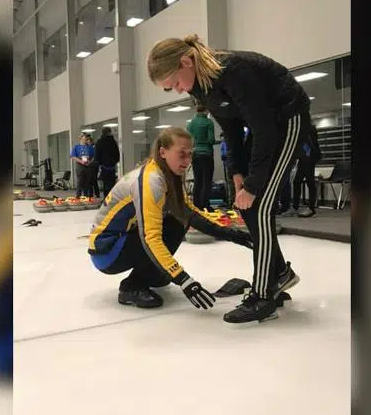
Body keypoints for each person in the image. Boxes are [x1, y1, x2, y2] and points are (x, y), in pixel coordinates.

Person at [147, 34, 311, 323]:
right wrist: (237, 175)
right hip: (263, 129)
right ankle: (280, 274)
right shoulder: (201, 88)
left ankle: (263, 295)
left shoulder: (233, 70)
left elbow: (263, 130)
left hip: (287, 120)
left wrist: (253, 184)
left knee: (259, 206)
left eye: (174, 83)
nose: (176, 90)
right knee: (245, 206)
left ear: (186, 62)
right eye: (169, 88)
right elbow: (232, 130)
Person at [87, 127, 253, 309]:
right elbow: (151, 238)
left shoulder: (168, 174)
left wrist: (232, 234)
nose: (188, 161)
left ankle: (152, 274)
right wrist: (184, 280)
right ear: (162, 152)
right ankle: (131, 287)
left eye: (190, 155)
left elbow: (190, 214)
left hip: (121, 241)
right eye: (182, 154)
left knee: (179, 220)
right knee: (172, 225)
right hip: (106, 252)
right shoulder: (151, 181)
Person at [186, 103, 217, 210]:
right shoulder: (208, 122)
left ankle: (196, 205)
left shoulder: (191, 124)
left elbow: (188, 140)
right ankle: (205, 205)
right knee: (206, 180)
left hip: (195, 154)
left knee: (198, 180)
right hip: (206, 154)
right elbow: (211, 139)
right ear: (206, 110)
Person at [291, 124, 322, 217]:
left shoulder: (310, 128)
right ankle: (295, 207)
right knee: (296, 181)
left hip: (309, 159)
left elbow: (311, 142)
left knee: (310, 183)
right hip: (302, 159)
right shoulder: (300, 128)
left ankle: (312, 209)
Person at [94, 126, 120, 199]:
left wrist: (98, 163)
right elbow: (117, 153)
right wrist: (115, 162)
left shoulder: (99, 141)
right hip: (112, 166)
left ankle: (106, 198)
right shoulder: (113, 141)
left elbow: (97, 154)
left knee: (105, 183)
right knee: (112, 182)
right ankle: (112, 197)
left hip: (104, 166)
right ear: (109, 132)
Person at [70, 133, 95, 198]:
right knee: (80, 181)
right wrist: (80, 161)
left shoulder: (90, 147)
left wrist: (90, 161)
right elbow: (73, 156)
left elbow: (93, 156)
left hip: (88, 165)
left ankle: (86, 196)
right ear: (80, 138)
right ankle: (78, 196)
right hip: (80, 165)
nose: (86, 140)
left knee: (87, 182)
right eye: (84, 138)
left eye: (86, 138)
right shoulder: (76, 147)